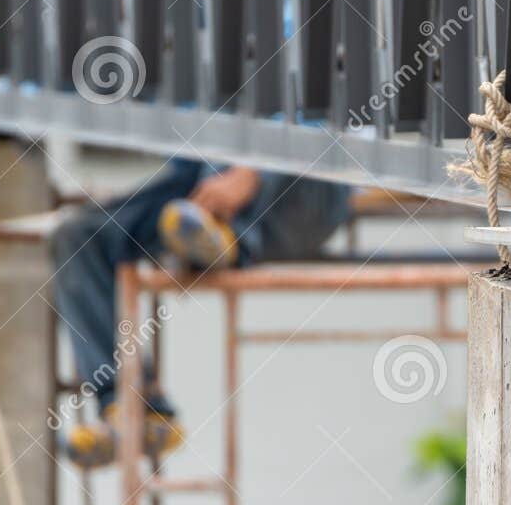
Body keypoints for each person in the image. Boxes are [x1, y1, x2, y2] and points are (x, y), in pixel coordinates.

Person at [50, 160, 352, 468]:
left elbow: (334, 138)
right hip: (201, 192)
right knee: (79, 237)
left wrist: (254, 172)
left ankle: (216, 231)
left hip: (302, 187)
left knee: (233, 138)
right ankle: (133, 409)